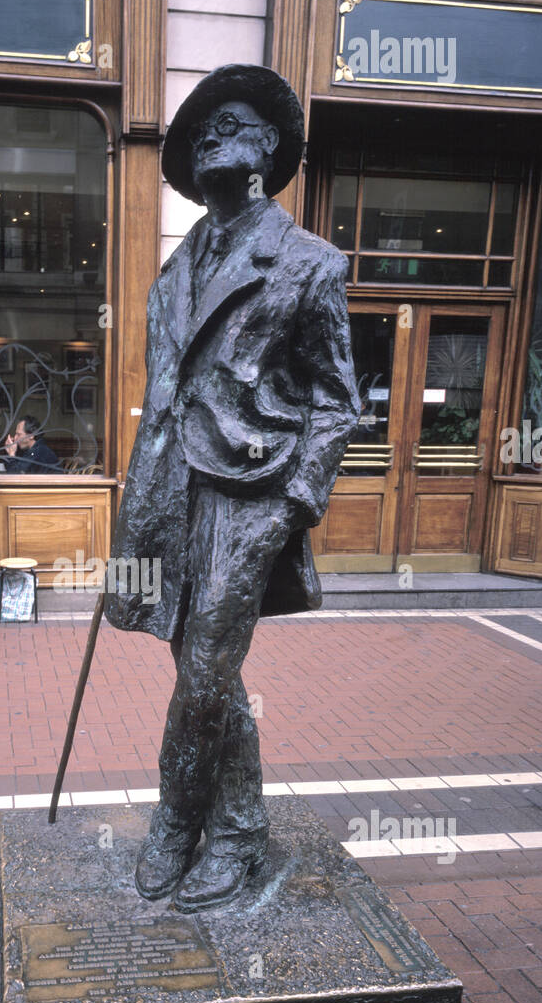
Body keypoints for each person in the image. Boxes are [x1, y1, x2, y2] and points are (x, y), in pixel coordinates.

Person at [103, 65, 361, 912]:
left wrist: (294, 504)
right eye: (200, 130)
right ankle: (242, 825)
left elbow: (338, 402)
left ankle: (178, 823)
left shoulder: (308, 263)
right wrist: (131, 515)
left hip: (254, 493)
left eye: (233, 123)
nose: (213, 135)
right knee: (201, 670)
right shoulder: (171, 275)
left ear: (269, 149)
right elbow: (163, 403)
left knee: (209, 667)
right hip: (170, 490)